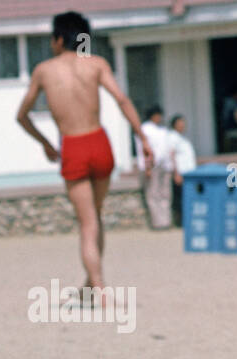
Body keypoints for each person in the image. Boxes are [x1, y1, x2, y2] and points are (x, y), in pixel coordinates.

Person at [16, 10, 153, 293]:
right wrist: (143, 138)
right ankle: (91, 284)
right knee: (96, 218)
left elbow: (22, 116)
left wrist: (45, 143)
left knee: (88, 223)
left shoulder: (44, 71)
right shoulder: (98, 64)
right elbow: (122, 100)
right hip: (99, 142)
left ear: (57, 39)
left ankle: (99, 288)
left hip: (73, 145)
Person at [137, 106, 173, 229]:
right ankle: (157, 222)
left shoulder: (163, 130)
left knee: (165, 193)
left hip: (164, 165)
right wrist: (147, 167)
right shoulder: (145, 129)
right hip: (152, 165)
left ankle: (166, 221)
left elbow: (168, 148)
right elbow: (143, 149)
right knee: (153, 194)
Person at [169, 114, 198, 228]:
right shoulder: (172, 137)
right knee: (181, 199)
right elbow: (172, 156)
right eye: (180, 124)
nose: (182, 126)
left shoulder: (184, 138)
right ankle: (181, 222)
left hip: (189, 173)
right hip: (180, 173)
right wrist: (176, 173)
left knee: (189, 197)